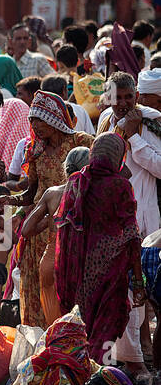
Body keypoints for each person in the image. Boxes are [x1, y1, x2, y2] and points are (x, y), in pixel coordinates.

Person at [54, 134, 142, 365]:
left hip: (76, 271)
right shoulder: (120, 185)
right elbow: (132, 235)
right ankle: (99, 373)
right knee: (106, 325)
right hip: (109, 270)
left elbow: (64, 229)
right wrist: (139, 281)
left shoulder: (76, 181)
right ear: (118, 157)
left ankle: (76, 372)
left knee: (79, 324)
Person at [18, 91, 94, 328]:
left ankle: (71, 343)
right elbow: (31, 193)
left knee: (69, 291)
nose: (37, 126)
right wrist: (10, 205)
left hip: (71, 227)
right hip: (40, 227)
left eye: (42, 120)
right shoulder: (35, 150)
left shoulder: (82, 143)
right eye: (33, 121)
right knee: (38, 291)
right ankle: (42, 347)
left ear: (54, 118)